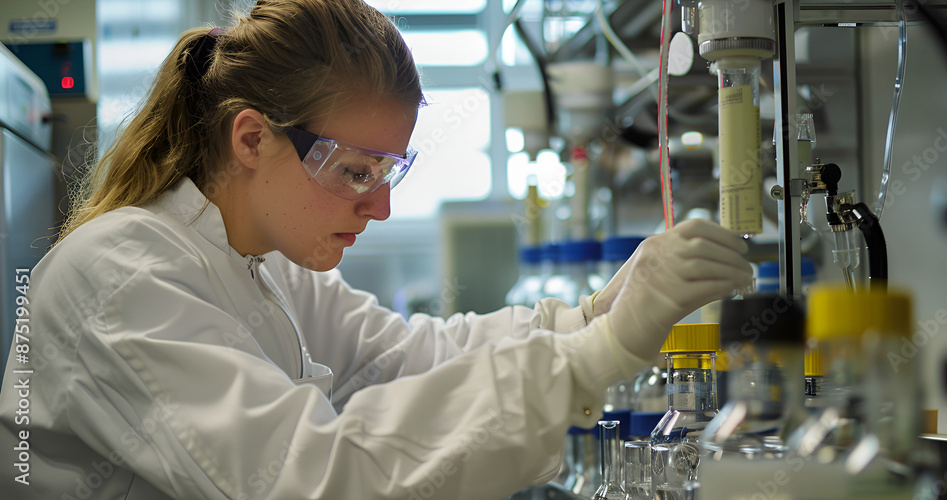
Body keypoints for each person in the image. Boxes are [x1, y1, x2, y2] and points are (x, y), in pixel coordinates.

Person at [0, 0, 752, 498]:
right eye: (355, 171)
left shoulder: (259, 265)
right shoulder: (123, 276)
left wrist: (589, 317)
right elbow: (313, 476)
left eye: (389, 173)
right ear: (253, 137)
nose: (381, 206)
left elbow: (405, 358)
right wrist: (595, 358)